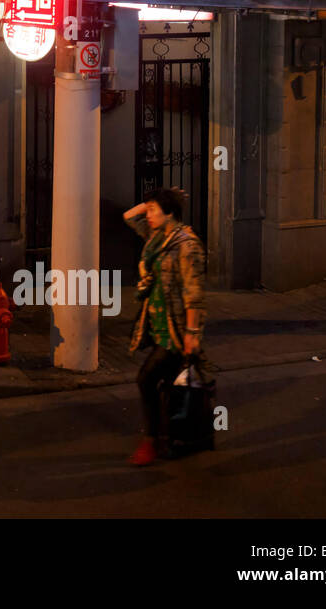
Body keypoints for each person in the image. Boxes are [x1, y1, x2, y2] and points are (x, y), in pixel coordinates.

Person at [125, 187, 206, 465]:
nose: (147, 215)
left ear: (169, 214)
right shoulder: (158, 237)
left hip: (177, 328)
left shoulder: (186, 245)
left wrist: (192, 334)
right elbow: (128, 217)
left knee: (146, 379)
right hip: (157, 323)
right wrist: (156, 199)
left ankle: (151, 442)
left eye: (153, 210)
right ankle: (170, 438)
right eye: (147, 209)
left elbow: (194, 292)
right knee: (170, 386)